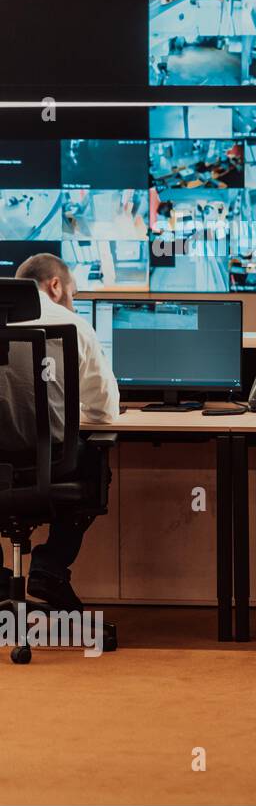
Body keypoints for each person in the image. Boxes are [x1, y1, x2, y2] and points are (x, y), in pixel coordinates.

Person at [0, 253, 120, 610]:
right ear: (55, 285)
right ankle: (49, 567)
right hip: (49, 467)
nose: (73, 301)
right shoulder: (72, 324)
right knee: (94, 461)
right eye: (73, 293)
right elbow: (106, 410)